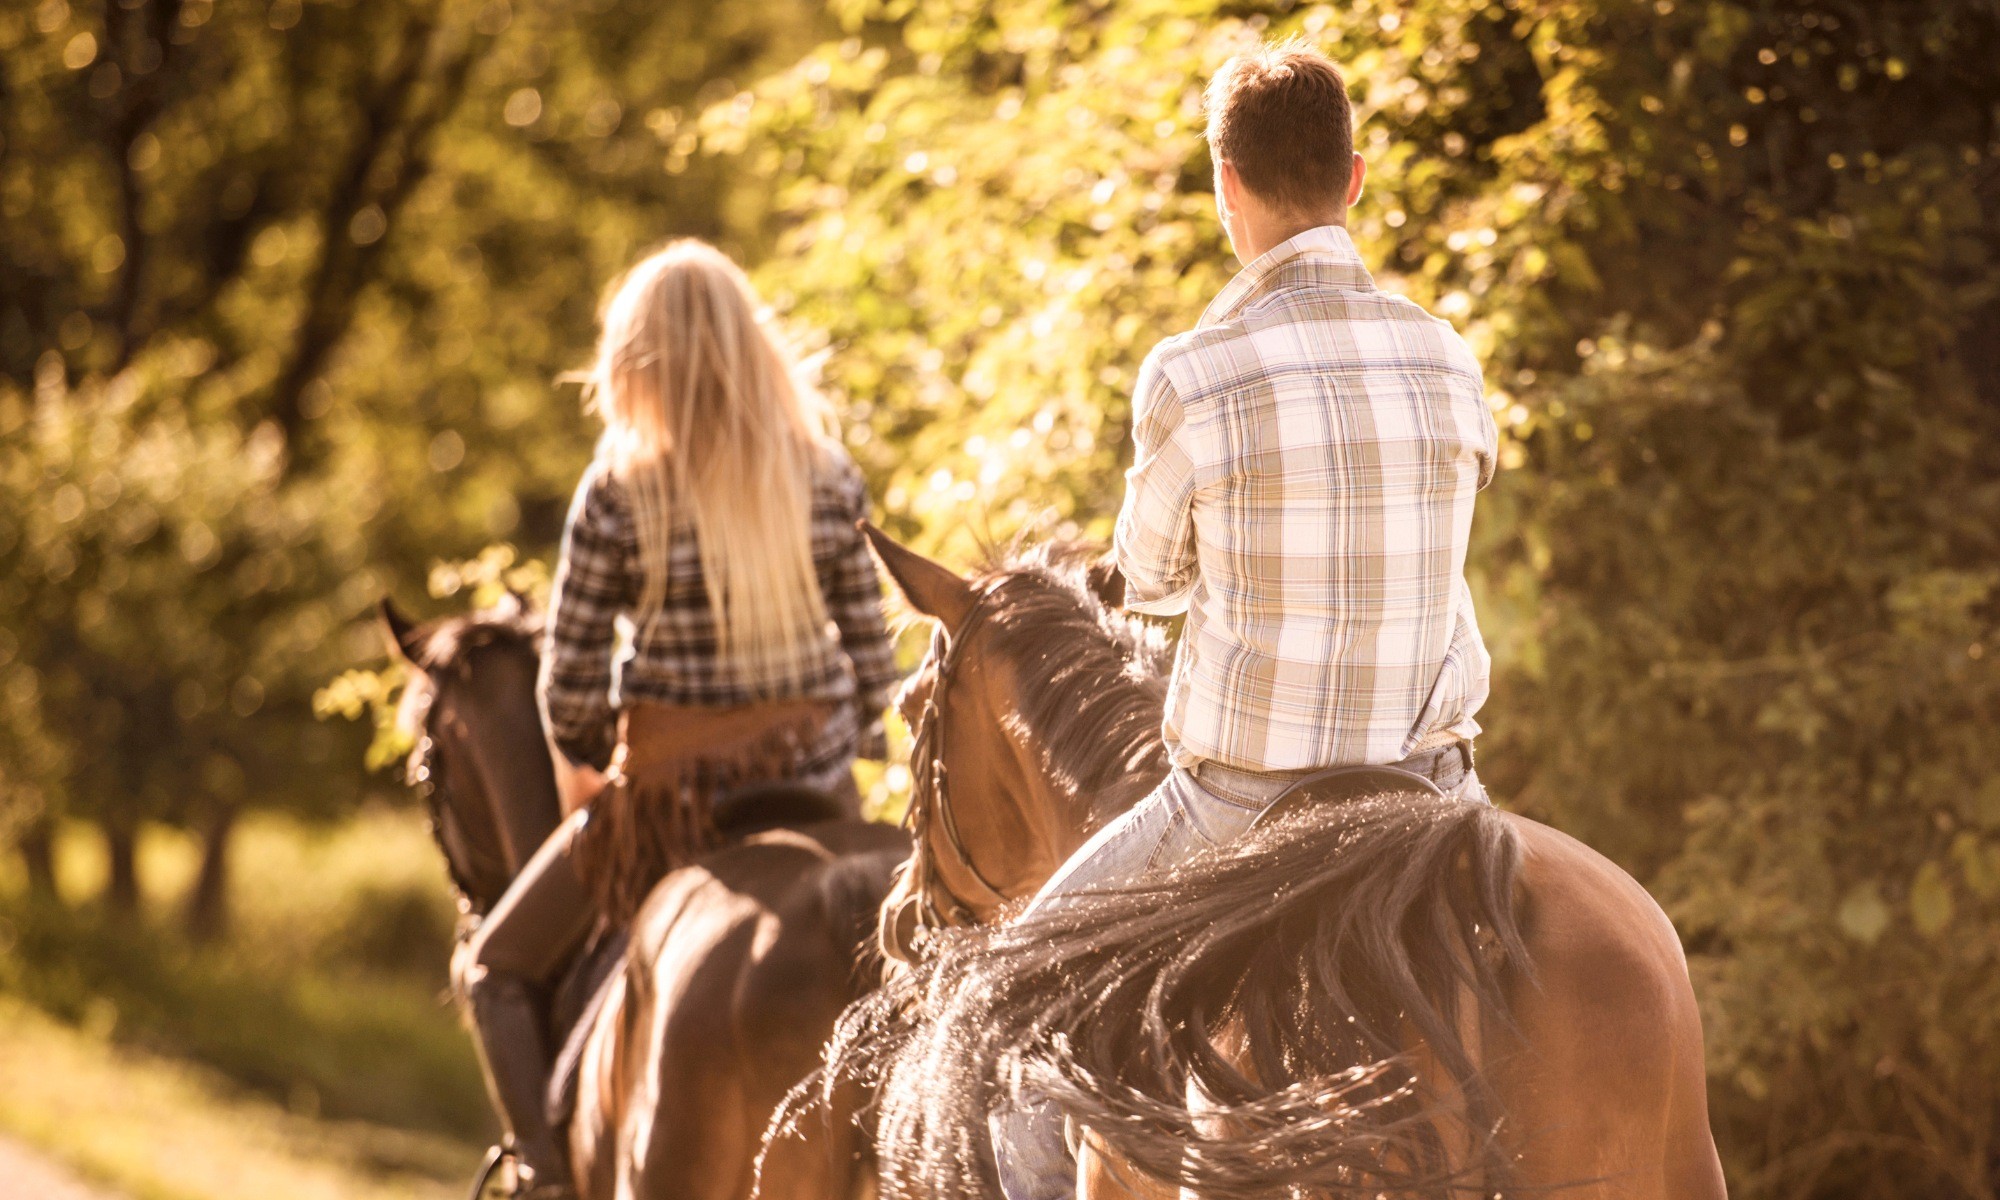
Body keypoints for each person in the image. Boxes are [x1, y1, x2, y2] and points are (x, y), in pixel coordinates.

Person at [993, 40, 1498, 1200]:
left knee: (1014, 1019)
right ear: (1354, 178)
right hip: (1432, 790)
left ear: (1226, 185)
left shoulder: (1192, 373)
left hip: (1242, 806)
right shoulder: (1446, 354)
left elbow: (1151, 579)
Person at [454, 240, 901, 1200]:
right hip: (819, 792)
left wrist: (595, 757)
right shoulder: (827, 476)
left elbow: (566, 692)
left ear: (635, 364)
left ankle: (542, 1175)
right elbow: (875, 670)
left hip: (670, 810)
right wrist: (844, 754)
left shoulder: (620, 492)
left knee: (494, 968)